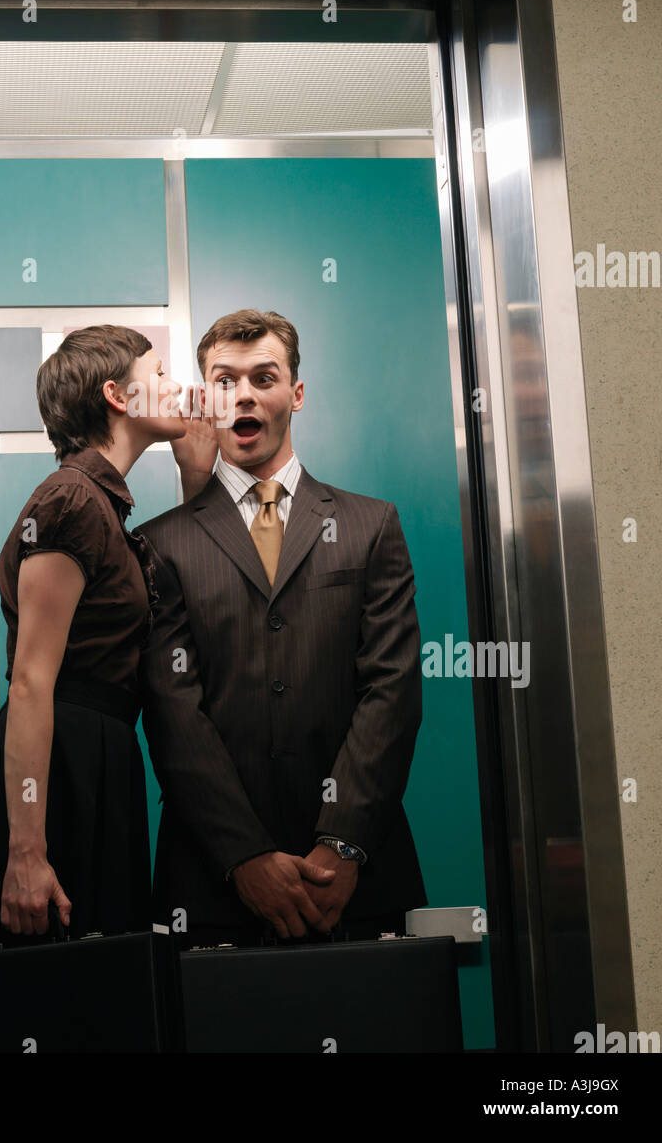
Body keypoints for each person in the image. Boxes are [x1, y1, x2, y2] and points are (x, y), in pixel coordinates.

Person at [138, 308, 426, 946]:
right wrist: (244, 858)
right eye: (225, 380)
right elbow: (171, 712)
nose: (244, 394)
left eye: (263, 378)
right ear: (207, 400)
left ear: (295, 394)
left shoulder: (370, 525)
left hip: (357, 886)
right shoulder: (160, 544)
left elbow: (393, 691)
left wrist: (342, 846)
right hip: (211, 889)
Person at [0, 325, 185, 952]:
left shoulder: (98, 503)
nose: (176, 387)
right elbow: (30, 680)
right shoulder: (73, 499)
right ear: (117, 395)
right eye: (159, 373)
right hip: (60, 779)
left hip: (93, 764)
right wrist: (27, 852)